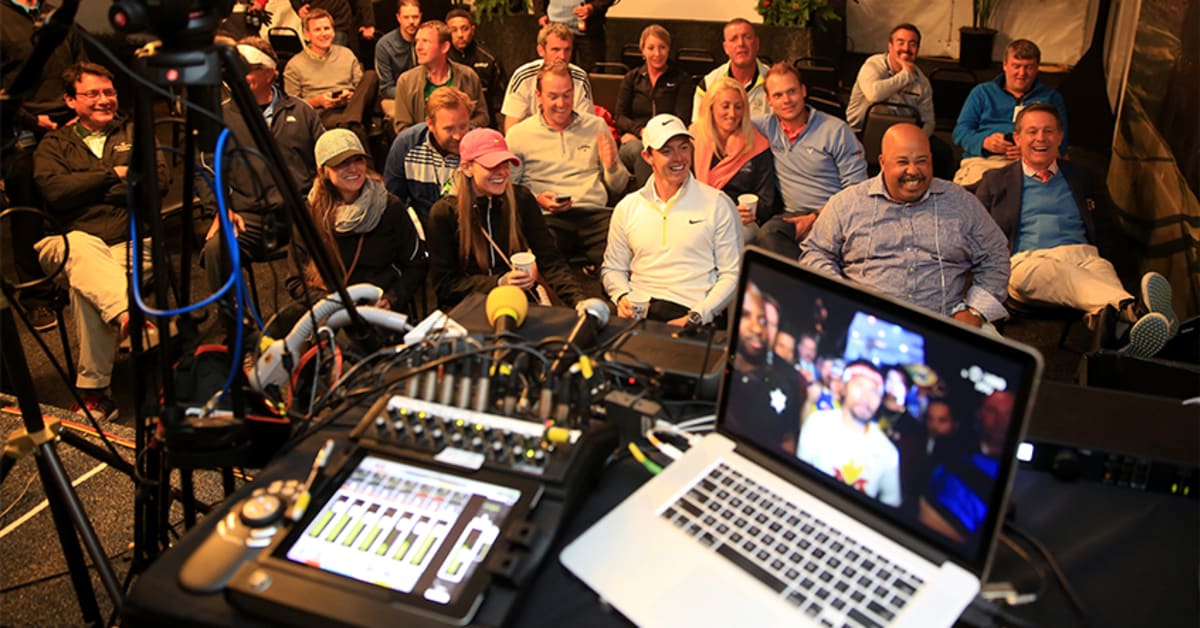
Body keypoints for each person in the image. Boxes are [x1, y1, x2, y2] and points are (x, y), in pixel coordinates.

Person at [975, 103, 1177, 356]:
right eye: (1032, 131)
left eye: (1049, 131)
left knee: (1102, 272)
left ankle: (1124, 336)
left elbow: (1106, 225)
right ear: (1017, 138)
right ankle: (1133, 310)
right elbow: (975, 232)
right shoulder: (996, 180)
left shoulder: (1084, 176)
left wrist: (1106, 255)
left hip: (1084, 255)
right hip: (1026, 262)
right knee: (1065, 275)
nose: (1041, 138)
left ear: (1060, 137)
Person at [32, 62, 168, 420]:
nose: (104, 100)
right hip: (64, 243)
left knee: (85, 288)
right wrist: (114, 175)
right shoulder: (53, 144)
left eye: (109, 92)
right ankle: (131, 316)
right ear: (70, 100)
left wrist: (87, 186)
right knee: (79, 245)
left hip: (131, 241)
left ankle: (94, 393)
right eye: (92, 93)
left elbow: (156, 184)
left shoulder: (137, 132)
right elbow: (54, 191)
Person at [801, 123, 1011, 327]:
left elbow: (996, 255)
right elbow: (816, 253)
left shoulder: (961, 202)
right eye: (902, 162)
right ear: (882, 162)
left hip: (945, 326)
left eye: (922, 161)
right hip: (864, 326)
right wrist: (839, 298)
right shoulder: (847, 203)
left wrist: (975, 311)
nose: (913, 170)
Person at [201, 38, 325, 296]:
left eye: (248, 68)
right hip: (251, 216)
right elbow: (204, 170)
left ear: (269, 73)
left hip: (301, 209)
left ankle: (319, 317)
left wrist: (321, 197)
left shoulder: (300, 111)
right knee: (217, 250)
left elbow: (325, 159)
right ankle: (238, 327)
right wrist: (222, 210)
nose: (239, 74)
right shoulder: (220, 117)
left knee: (331, 238)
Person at [602, 114, 742, 326]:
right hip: (638, 310)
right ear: (648, 157)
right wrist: (621, 296)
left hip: (691, 312)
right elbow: (613, 268)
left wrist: (697, 316)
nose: (679, 158)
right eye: (667, 151)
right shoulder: (627, 207)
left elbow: (732, 274)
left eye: (684, 148)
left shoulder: (718, 204)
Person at [2, 0, 90, 332]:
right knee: (29, 212)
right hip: (21, 125)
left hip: (70, 117)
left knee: (78, 196)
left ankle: (84, 279)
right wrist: (29, 118)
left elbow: (83, 65)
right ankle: (37, 299)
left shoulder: (58, 12)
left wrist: (82, 107)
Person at [427, 128, 585, 308]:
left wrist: (578, 301)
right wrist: (498, 283)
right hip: (468, 307)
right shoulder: (443, 214)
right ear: (467, 168)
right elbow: (445, 285)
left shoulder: (522, 199)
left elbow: (550, 262)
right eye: (491, 165)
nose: (502, 172)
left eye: (505, 163)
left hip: (518, 301)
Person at [287, 129, 428, 313]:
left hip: (382, 309)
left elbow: (416, 264)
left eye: (358, 160)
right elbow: (296, 281)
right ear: (323, 171)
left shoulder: (389, 207)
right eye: (341, 164)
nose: (353, 169)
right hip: (332, 310)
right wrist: (334, 305)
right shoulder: (309, 214)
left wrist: (392, 298)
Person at [507, 62, 628, 268]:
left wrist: (612, 167)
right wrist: (537, 200)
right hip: (547, 218)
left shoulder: (596, 126)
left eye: (567, 95)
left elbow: (618, 186)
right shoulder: (518, 135)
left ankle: (620, 297)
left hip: (594, 214)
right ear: (538, 96)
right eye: (553, 96)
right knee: (545, 262)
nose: (562, 103)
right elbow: (508, 189)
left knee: (624, 259)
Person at [755, 62, 868, 258]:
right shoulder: (766, 127)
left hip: (836, 215)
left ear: (803, 91)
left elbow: (858, 190)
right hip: (792, 215)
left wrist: (815, 217)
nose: (786, 100)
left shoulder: (836, 131)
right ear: (769, 101)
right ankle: (808, 278)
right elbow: (725, 119)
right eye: (778, 95)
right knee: (766, 235)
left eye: (792, 91)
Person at [952, 39, 1068, 187]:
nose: (1022, 73)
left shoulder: (1051, 98)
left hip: (1033, 164)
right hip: (985, 161)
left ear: (1037, 68)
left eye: (1029, 67)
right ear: (1005, 65)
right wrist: (984, 142)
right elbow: (960, 133)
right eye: (1016, 66)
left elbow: (1061, 143)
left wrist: (1031, 152)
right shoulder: (982, 93)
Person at [798, 360, 902, 507]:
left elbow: (891, 503)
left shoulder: (888, 453)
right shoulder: (817, 424)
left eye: (874, 391)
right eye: (859, 385)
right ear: (844, 388)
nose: (867, 396)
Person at [919, 391, 1014, 542]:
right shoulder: (951, 449)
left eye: (1009, 413)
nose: (1001, 421)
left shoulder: (1013, 473)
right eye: (993, 411)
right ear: (979, 414)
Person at [691, 76, 777, 244]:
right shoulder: (693, 139)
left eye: (738, 107)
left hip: (741, 221)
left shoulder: (758, 145)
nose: (732, 114)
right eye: (725, 106)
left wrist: (753, 213)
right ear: (711, 108)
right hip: (698, 213)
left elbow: (767, 201)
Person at [725, 281, 804, 455]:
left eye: (767, 322)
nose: (759, 329)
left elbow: (788, 439)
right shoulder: (726, 367)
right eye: (746, 315)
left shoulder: (787, 380)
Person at [614, 24, 693, 187]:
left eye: (662, 47)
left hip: (668, 141)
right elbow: (620, 116)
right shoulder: (631, 78)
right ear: (642, 50)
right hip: (637, 139)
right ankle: (648, 199)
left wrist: (657, 137)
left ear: (669, 49)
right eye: (651, 48)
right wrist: (639, 132)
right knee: (638, 150)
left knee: (663, 154)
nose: (657, 54)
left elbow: (681, 118)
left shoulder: (682, 78)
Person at [283, 9, 378, 138]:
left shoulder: (347, 54)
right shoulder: (294, 65)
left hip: (353, 107)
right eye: (317, 30)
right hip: (323, 114)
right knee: (355, 128)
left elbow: (361, 90)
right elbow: (292, 106)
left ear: (333, 31)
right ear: (307, 34)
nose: (324, 33)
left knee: (371, 76)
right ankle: (350, 124)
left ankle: (349, 122)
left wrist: (351, 95)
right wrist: (317, 101)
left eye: (327, 28)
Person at [382, 86, 471, 220]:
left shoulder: (480, 146)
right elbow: (394, 201)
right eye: (449, 129)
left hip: (467, 224)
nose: (458, 136)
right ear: (430, 123)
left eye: (463, 126)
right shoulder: (406, 145)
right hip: (422, 225)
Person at [391, 20, 488, 133]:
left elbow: (483, 117)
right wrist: (435, 135)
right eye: (417, 41)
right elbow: (402, 127)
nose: (418, 47)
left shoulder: (468, 76)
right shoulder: (406, 81)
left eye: (425, 41)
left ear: (444, 47)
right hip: (422, 146)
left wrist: (460, 128)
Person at [501, 23, 594, 133]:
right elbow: (512, 130)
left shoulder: (580, 78)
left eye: (567, 50)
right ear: (541, 50)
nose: (562, 56)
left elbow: (585, 126)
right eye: (555, 50)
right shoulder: (523, 77)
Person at [846, 23, 934, 135]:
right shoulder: (873, 65)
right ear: (890, 46)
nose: (906, 49)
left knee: (942, 150)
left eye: (912, 44)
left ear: (917, 49)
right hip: (860, 133)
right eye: (901, 43)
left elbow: (929, 122)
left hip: (902, 136)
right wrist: (906, 75)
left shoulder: (922, 82)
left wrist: (918, 139)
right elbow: (874, 95)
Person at [692, 19, 770, 123]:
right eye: (733, 39)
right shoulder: (708, 84)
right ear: (726, 48)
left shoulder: (775, 82)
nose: (741, 44)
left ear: (756, 43)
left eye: (747, 37)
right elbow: (698, 129)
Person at [446, 7, 506, 127]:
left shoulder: (489, 59)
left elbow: (499, 100)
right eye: (454, 30)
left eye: (465, 29)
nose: (460, 35)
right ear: (447, 32)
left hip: (484, 122)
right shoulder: (443, 58)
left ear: (472, 30)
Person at [375, 0, 422, 123]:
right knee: (403, 118)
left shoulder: (427, 40)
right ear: (398, 18)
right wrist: (413, 95)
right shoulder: (385, 45)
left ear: (421, 17)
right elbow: (386, 88)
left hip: (426, 95)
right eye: (406, 17)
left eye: (415, 17)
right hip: (395, 97)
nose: (411, 21)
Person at [535, 0, 611, 73]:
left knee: (593, 75)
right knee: (556, 71)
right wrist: (541, 13)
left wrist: (593, 7)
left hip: (589, 33)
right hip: (555, 31)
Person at [289, 0, 375, 57]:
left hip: (339, 21)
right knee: (315, 59)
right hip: (313, 19)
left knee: (333, 58)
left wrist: (368, 23)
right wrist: (299, 7)